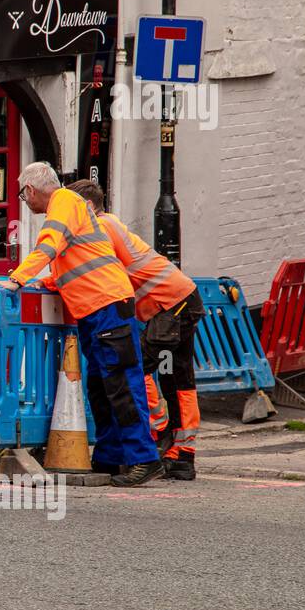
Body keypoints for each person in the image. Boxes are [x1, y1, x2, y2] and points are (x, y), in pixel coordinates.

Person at [0, 162, 160, 486]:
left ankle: (144, 459)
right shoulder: (71, 209)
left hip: (107, 307)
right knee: (102, 388)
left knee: (123, 387)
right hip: (97, 309)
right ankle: (111, 457)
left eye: (22, 195)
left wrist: (17, 280)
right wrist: (50, 283)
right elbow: (79, 260)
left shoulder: (64, 202)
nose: (24, 203)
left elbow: (48, 245)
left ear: (30, 190)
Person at [68, 179, 203, 480]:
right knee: (178, 380)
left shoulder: (100, 227)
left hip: (169, 304)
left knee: (134, 368)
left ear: (87, 207)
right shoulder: (109, 224)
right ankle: (182, 455)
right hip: (177, 299)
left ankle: (155, 438)